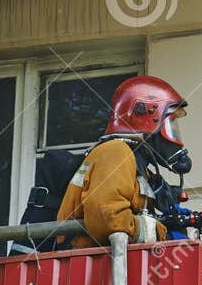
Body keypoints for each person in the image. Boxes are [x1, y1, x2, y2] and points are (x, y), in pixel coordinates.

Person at [55, 75, 193, 249]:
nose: (173, 133)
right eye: (170, 123)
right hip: (82, 261)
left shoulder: (140, 168)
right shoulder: (115, 152)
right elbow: (108, 219)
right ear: (148, 116)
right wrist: (162, 232)